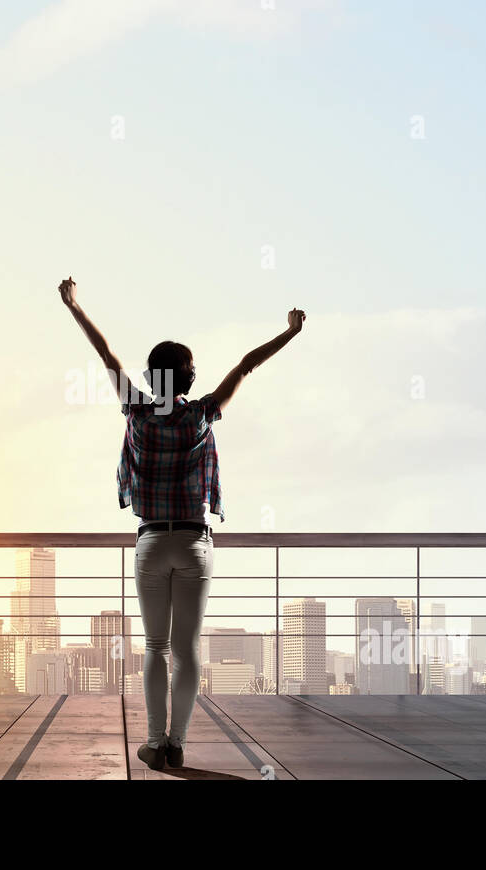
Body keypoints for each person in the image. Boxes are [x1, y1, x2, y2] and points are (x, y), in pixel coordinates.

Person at [58, 275, 305, 771]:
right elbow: (246, 366)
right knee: (188, 649)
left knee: (155, 646)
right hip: (195, 542)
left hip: (151, 542)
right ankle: (179, 741)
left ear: (152, 380)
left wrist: (73, 305)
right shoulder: (202, 416)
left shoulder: (136, 412)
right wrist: (291, 332)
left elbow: (104, 352)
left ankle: (155, 743)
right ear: (190, 381)